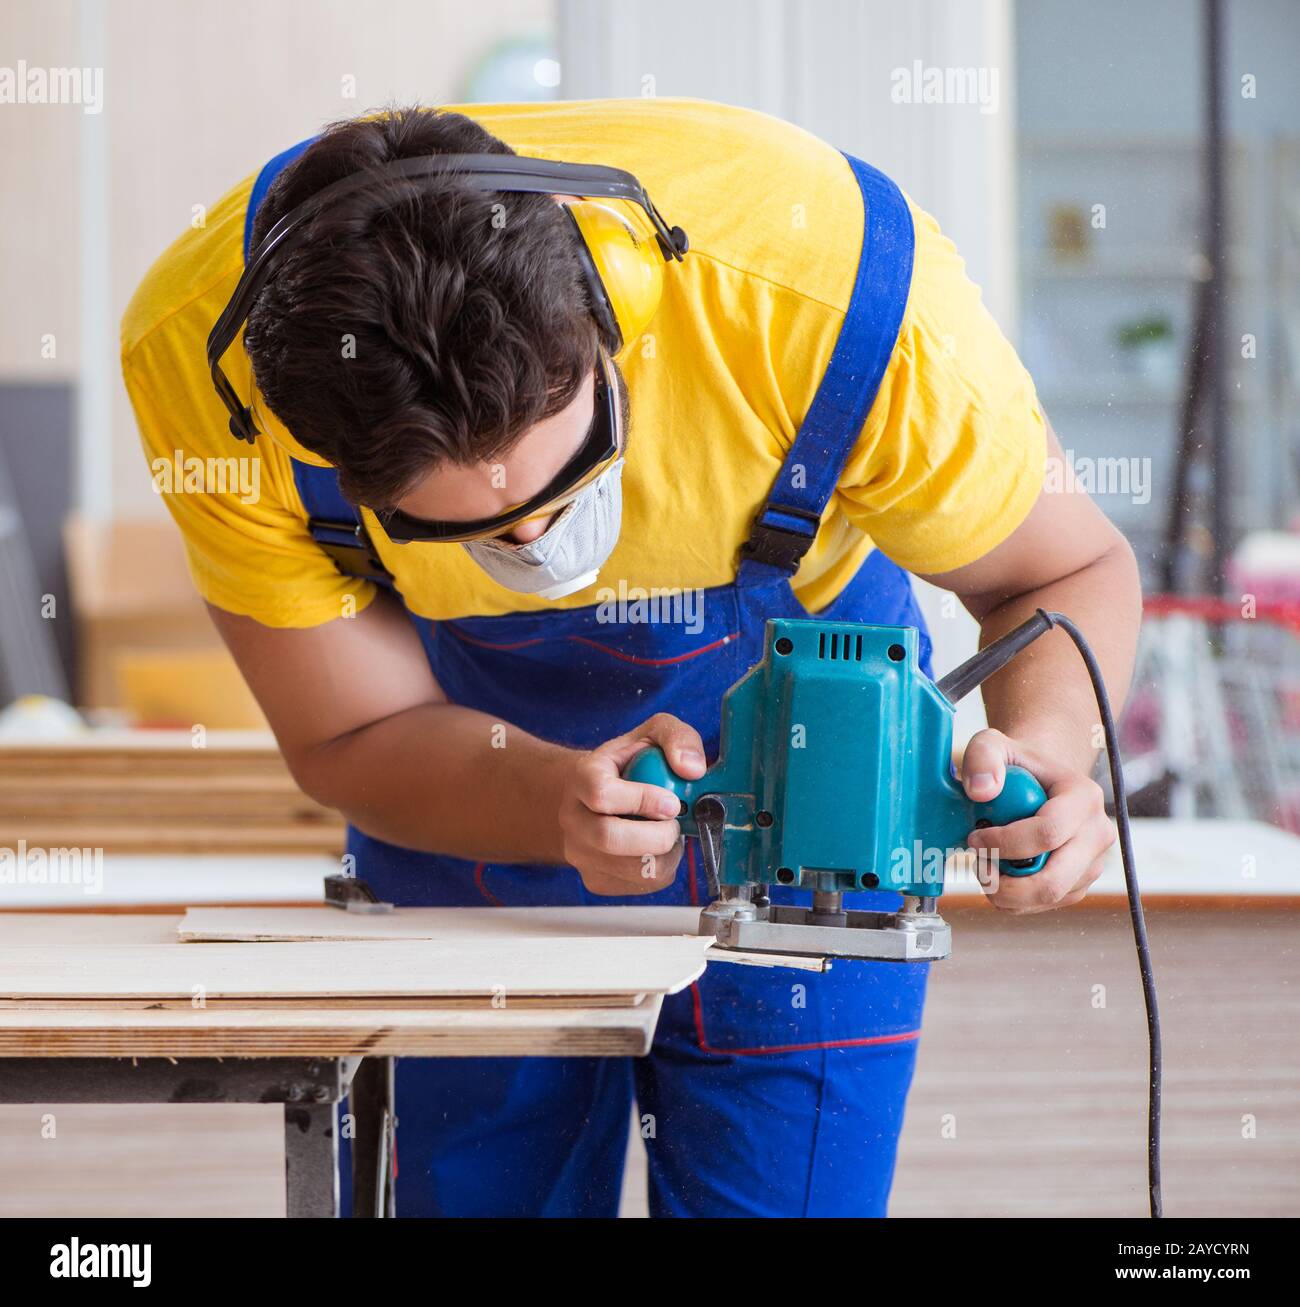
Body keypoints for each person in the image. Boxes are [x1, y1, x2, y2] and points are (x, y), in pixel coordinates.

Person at [121, 99, 1140, 1217]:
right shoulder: (202, 374)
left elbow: (1061, 570)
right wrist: (551, 795)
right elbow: (349, 730)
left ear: (610, 316)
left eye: (571, 472)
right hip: (471, 834)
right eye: (455, 526)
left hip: (823, 849)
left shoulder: (830, 302)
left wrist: (1045, 757)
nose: (533, 543)